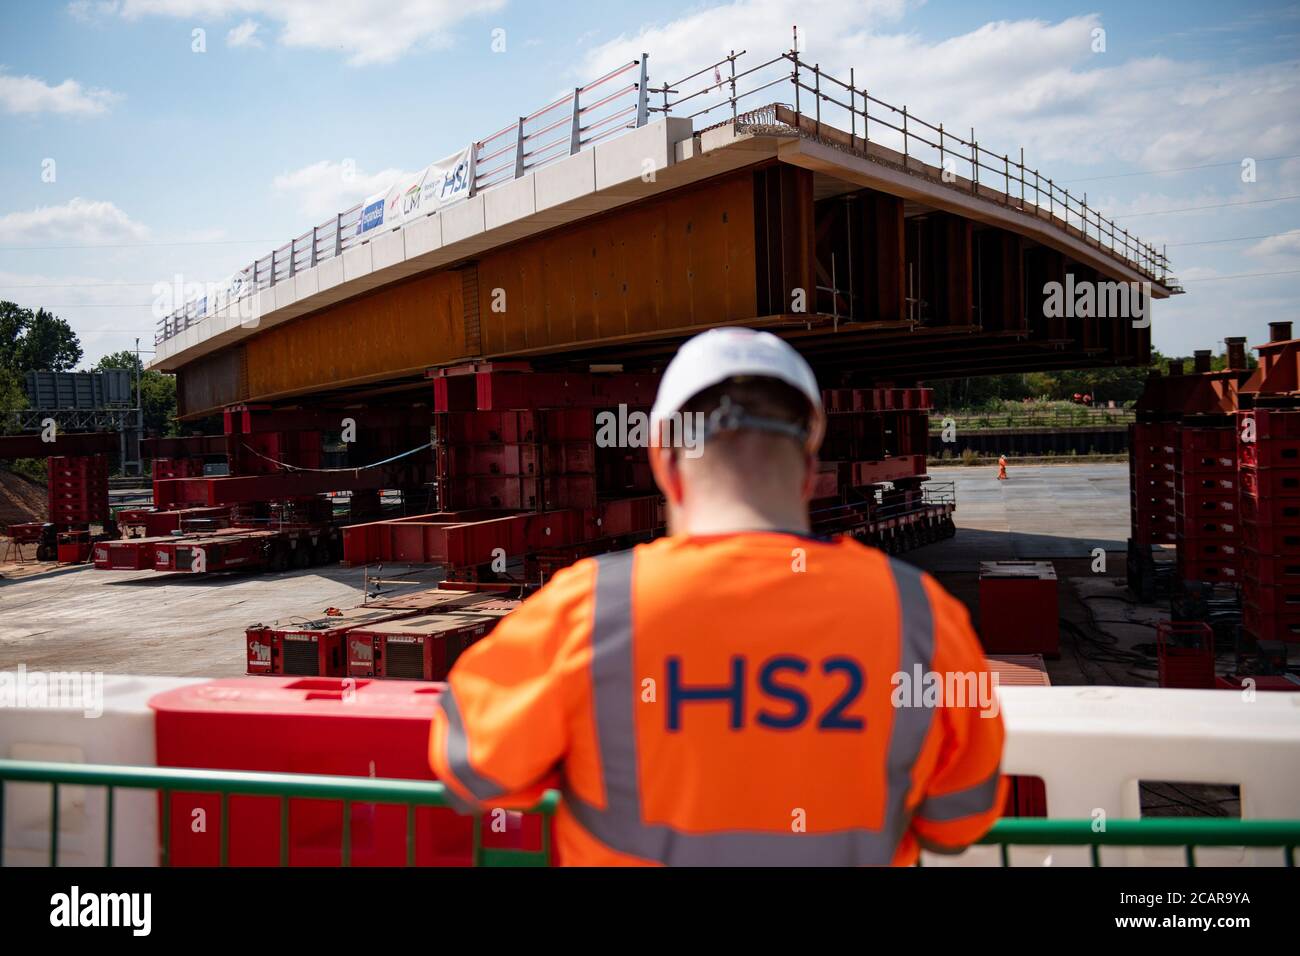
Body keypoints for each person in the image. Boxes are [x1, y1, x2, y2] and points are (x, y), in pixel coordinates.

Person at [428, 327, 1006, 866]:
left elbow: (472, 769)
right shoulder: (921, 618)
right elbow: (960, 820)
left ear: (664, 465)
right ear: (808, 470)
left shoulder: (589, 609)